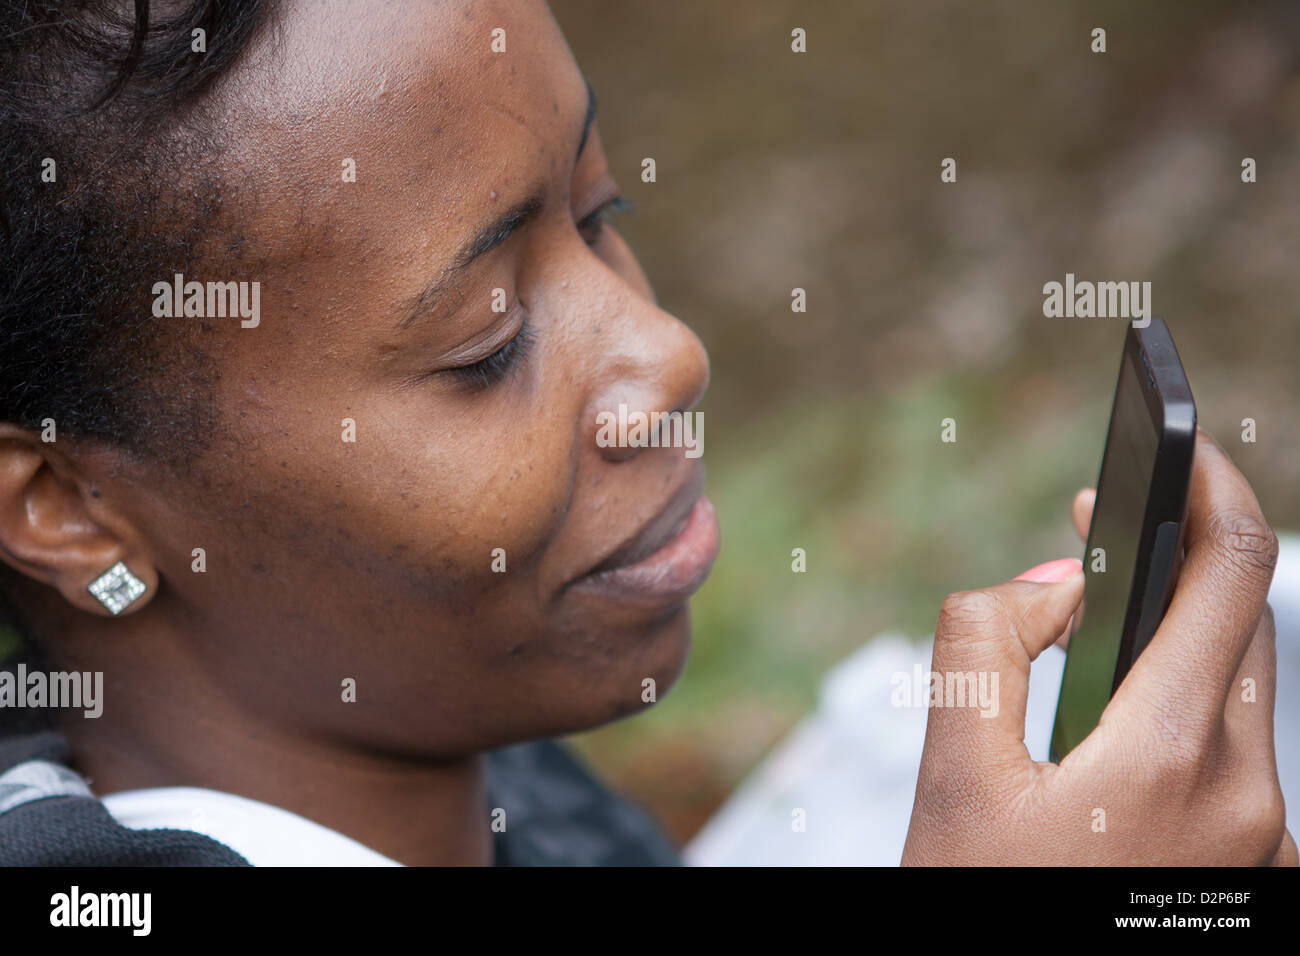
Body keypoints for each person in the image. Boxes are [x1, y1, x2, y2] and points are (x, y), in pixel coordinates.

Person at [0, 0, 1292, 866]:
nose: (669, 354)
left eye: (598, 210)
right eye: (485, 346)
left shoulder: (489, 777)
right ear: (67, 505)